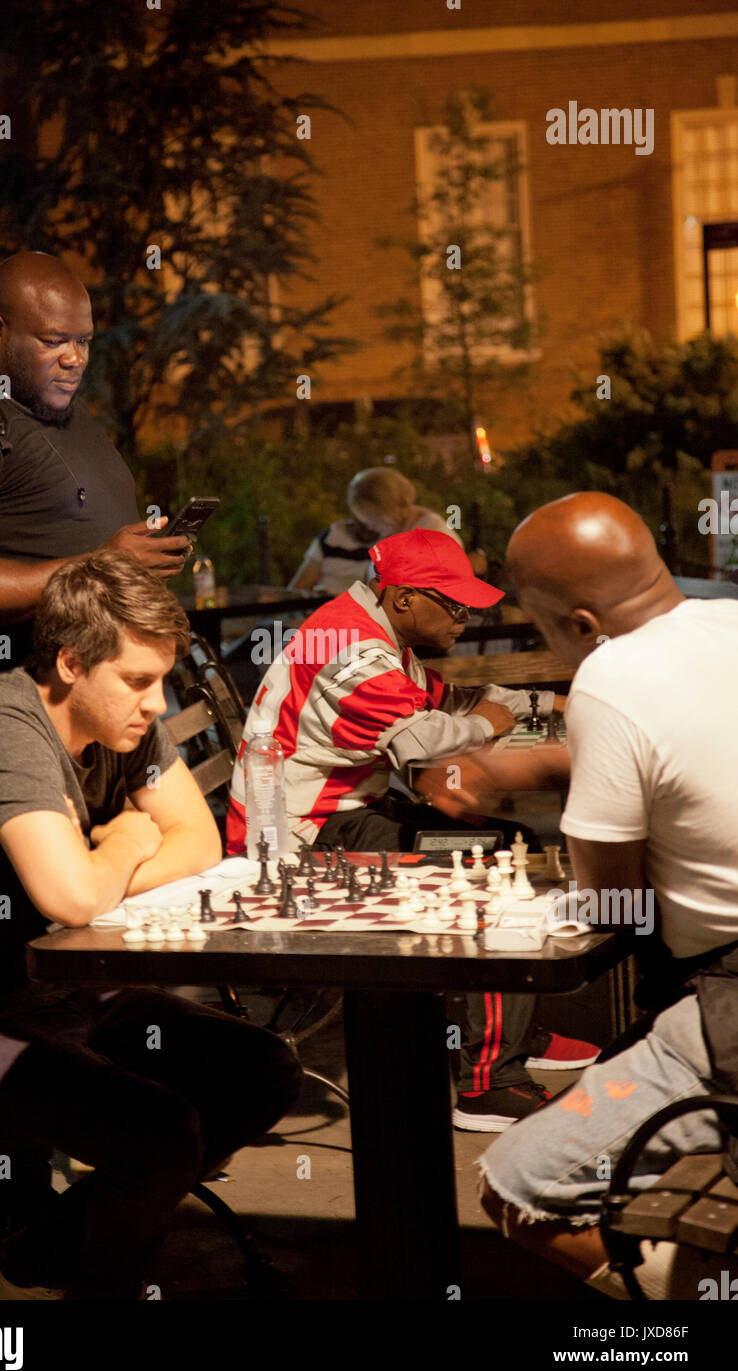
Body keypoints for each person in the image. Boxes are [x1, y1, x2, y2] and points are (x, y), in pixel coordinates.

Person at [0, 549, 301, 1300]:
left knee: (260, 1070)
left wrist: (113, 865)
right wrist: (134, 838)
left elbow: (200, 842)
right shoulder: (4, 727)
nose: (157, 704)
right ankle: (57, 1285)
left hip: (54, 999)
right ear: (71, 662)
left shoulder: (120, 722)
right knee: (157, 1133)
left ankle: (34, 1264)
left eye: (161, 680)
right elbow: (73, 898)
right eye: (138, 681)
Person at [228, 528, 597, 1131]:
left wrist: (562, 709)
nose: (469, 616)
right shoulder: (354, 655)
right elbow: (426, 748)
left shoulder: (371, 631)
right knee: (489, 870)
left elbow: (454, 702)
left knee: (505, 845)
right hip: (296, 847)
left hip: (339, 816)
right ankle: (487, 1085)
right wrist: (492, 724)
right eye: (454, 604)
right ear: (403, 598)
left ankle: (511, 1032)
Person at [479, 492, 738, 1299]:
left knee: (514, 1182)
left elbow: (612, 907)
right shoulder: (726, 617)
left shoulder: (608, 678)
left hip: (729, 1009)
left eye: (539, 623)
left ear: (582, 623)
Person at [0, 251, 191, 735]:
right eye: (53, 341)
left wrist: (140, 561)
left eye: (83, 341)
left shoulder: (54, 407)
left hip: (88, 701)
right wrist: (98, 567)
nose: (75, 358)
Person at [288, 466, 463, 595]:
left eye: (370, 520)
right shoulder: (396, 532)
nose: (369, 527)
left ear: (385, 511)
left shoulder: (431, 535)